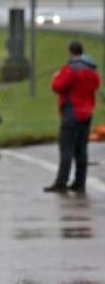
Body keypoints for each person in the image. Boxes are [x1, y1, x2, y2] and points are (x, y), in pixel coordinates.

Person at [45, 41, 100, 193]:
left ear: (71, 52)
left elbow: (58, 87)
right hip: (87, 112)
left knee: (66, 149)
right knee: (81, 149)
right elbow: (96, 86)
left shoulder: (70, 69)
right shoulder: (91, 70)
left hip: (72, 112)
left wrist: (56, 77)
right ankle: (79, 182)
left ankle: (61, 181)